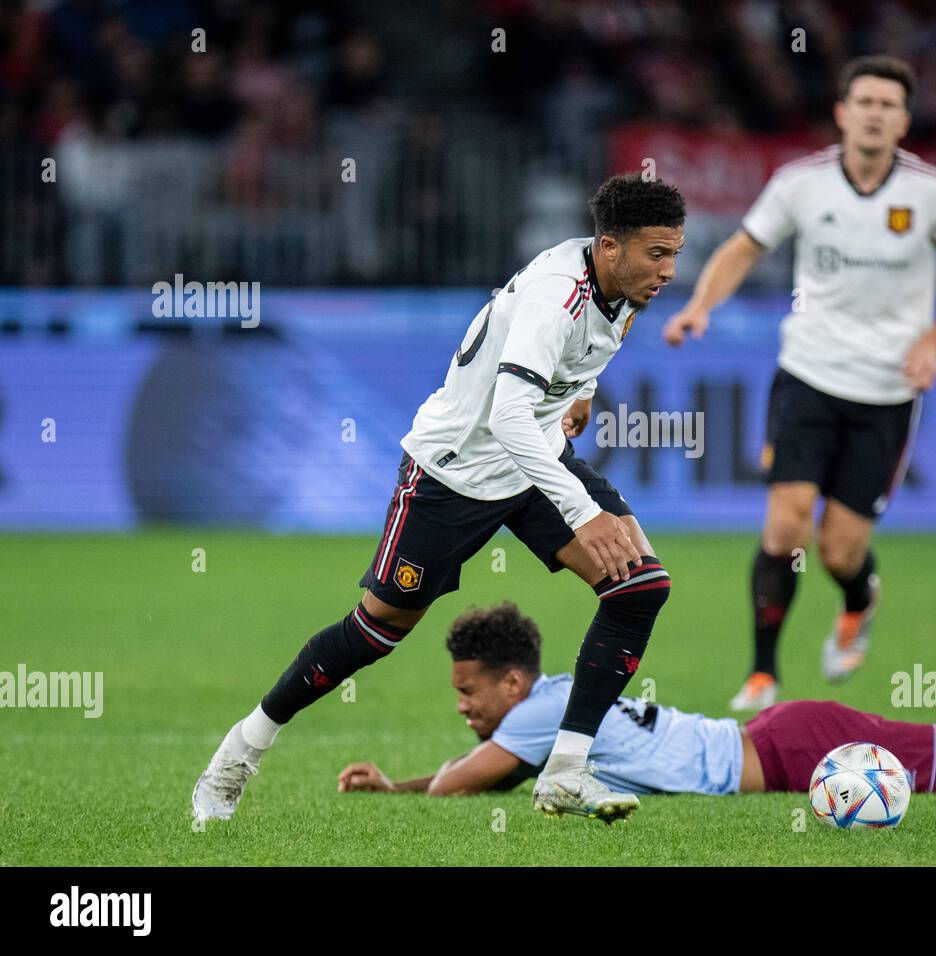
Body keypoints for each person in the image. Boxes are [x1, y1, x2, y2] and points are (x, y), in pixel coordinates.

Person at [193, 174, 686, 824]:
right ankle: (242, 749)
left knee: (639, 586)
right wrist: (584, 512)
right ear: (610, 245)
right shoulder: (555, 298)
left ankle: (566, 770)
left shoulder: (622, 287)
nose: (670, 271)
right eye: (658, 254)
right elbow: (509, 419)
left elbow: (574, 365)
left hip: (532, 464)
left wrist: (578, 394)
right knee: (375, 630)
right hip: (454, 474)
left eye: (674, 254)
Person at [337, 549, 936, 811]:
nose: (461, 708)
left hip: (789, 751)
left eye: (468, 692)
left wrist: (395, 791)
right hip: (785, 744)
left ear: (510, 681)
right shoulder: (548, 708)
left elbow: (465, 783)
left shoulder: (535, 720)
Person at [662, 55, 936, 709]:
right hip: (807, 376)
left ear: (904, 122)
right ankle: (762, 674)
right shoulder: (800, 183)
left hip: (887, 394)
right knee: (785, 528)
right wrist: (700, 305)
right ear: (842, 114)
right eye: (863, 102)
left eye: (888, 104)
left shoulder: (931, 194)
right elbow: (741, 249)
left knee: (840, 550)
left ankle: (856, 603)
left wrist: (934, 341)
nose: (874, 113)